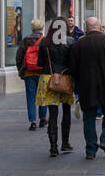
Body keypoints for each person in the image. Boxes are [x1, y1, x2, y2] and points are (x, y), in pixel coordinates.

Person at [67, 17, 105, 160]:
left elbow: (72, 68)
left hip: (87, 86)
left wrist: (78, 83)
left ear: (86, 28)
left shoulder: (78, 44)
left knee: (88, 117)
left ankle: (90, 150)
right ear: (100, 27)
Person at [33, 18, 76, 156]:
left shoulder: (44, 42)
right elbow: (73, 62)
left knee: (52, 114)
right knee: (67, 110)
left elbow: (40, 62)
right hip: (65, 79)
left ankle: (53, 147)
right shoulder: (70, 41)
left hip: (48, 79)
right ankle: (65, 143)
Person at [15, 18, 47, 131]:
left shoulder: (25, 40)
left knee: (31, 97)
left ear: (32, 28)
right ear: (42, 28)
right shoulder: (45, 40)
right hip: (42, 73)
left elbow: (19, 56)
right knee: (43, 96)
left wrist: (21, 69)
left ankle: (32, 121)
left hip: (29, 72)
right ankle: (43, 118)